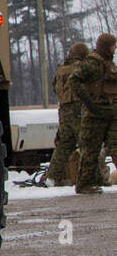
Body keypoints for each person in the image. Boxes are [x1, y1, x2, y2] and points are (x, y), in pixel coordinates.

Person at [44, 42, 98, 188]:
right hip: (78, 109)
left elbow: (55, 87)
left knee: (64, 145)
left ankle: (51, 177)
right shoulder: (80, 68)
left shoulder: (60, 69)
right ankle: (95, 178)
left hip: (63, 110)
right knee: (87, 143)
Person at [70, 32, 117, 195]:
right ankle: (84, 184)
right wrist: (87, 100)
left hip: (111, 113)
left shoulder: (111, 63)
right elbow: (74, 80)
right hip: (95, 115)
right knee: (90, 150)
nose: (115, 48)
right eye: (113, 45)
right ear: (106, 46)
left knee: (115, 146)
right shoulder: (91, 63)